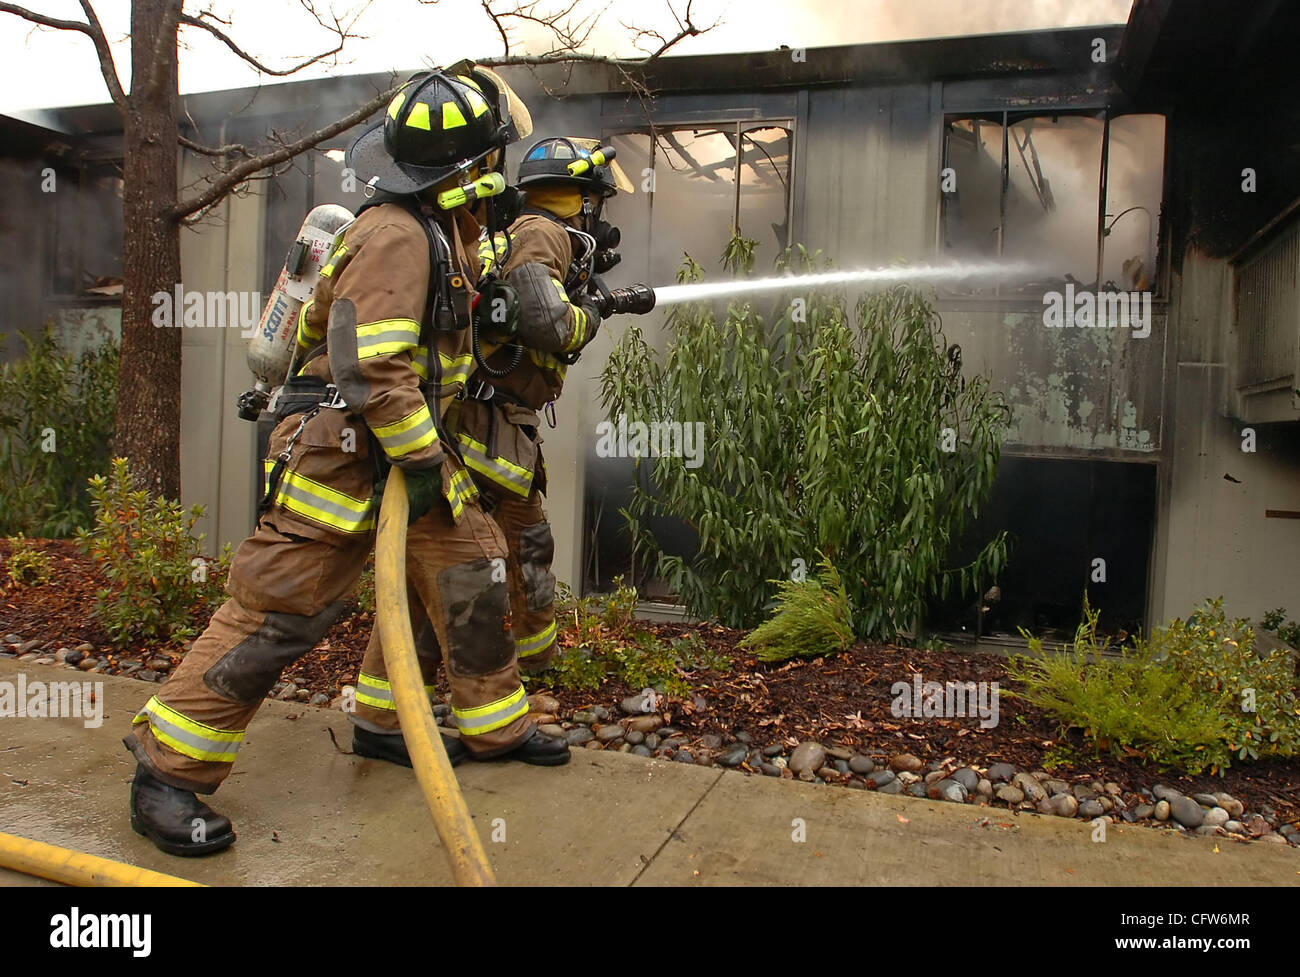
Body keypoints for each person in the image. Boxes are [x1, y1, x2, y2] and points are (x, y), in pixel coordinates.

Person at [124, 65, 568, 859]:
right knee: (280, 615)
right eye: (491, 159)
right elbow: (370, 366)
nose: (499, 172)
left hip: (406, 457)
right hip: (343, 462)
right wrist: (424, 457)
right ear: (465, 169)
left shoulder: (443, 231)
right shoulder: (396, 234)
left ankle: (427, 725)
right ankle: (167, 770)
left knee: (473, 568)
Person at [447, 137, 636, 675]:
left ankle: (535, 666)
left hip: (498, 425)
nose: (597, 217)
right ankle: (498, 680)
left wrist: (595, 298)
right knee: (494, 555)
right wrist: (592, 314)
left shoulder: (517, 233)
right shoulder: (543, 232)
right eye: (595, 201)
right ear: (578, 197)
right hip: (485, 427)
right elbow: (548, 323)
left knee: (522, 550)